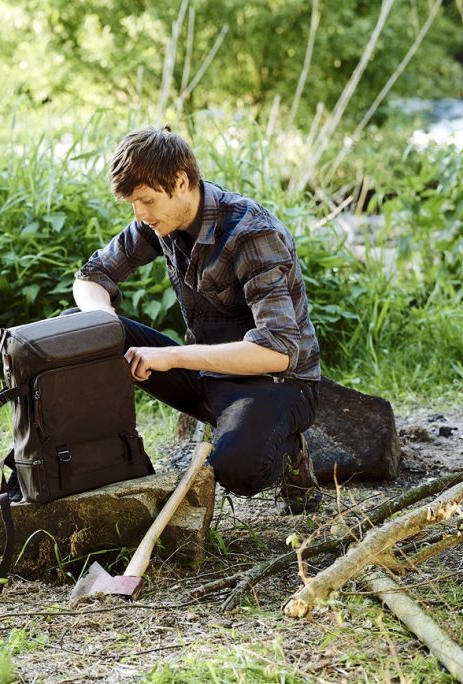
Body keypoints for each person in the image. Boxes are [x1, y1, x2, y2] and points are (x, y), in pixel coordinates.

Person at [73, 126, 322, 513]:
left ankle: (289, 449)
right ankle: (92, 459)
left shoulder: (252, 233)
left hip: (276, 383)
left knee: (238, 468)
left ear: (180, 181)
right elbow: (90, 277)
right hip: (209, 377)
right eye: (133, 204)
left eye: (147, 201)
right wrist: (103, 325)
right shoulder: (161, 221)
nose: (140, 215)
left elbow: (279, 352)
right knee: (84, 329)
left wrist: (171, 358)